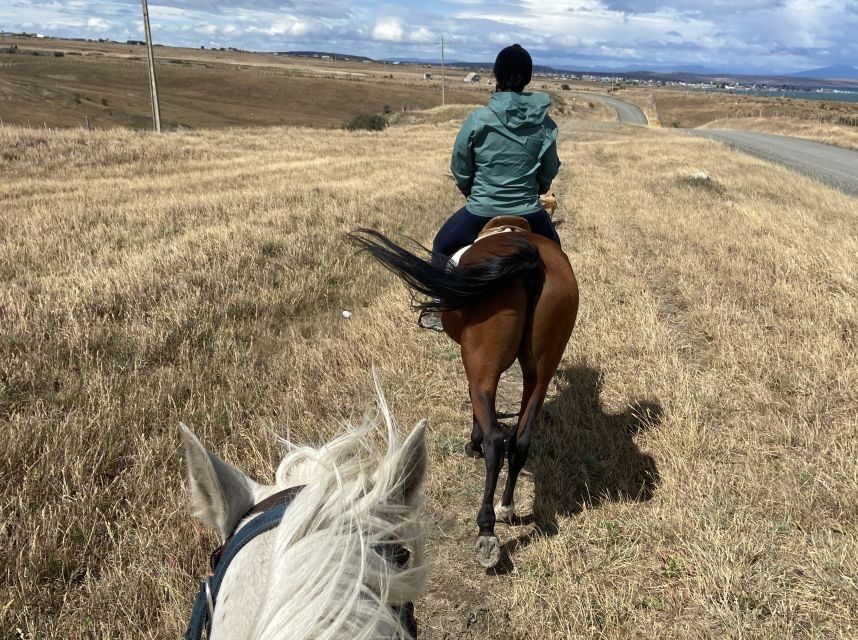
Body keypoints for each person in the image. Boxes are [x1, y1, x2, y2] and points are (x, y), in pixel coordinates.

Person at [419, 44, 561, 330]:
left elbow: (460, 163)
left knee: (441, 245)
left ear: (496, 75)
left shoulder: (478, 119)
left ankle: (437, 309)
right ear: (528, 79)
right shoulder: (545, 124)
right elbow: (549, 168)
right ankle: (555, 314)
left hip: (481, 208)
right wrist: (538, 188)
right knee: (557, 255)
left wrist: (470, 189)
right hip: (529, 210)